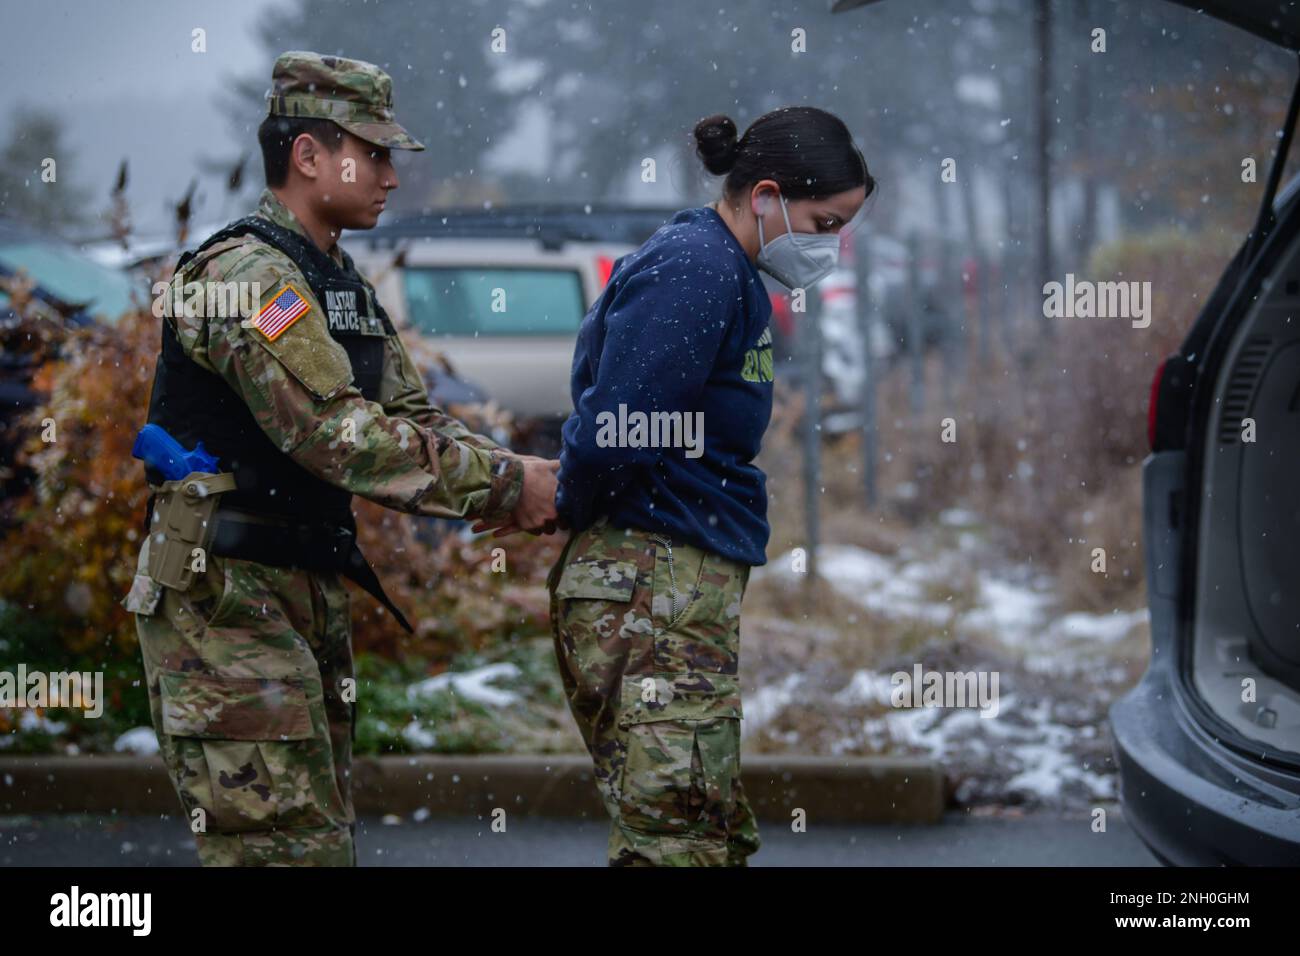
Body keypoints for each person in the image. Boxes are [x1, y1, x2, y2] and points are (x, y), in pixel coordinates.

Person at [119, 51, 559, 867]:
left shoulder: (335, 279)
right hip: (228, 598)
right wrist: (506, 487)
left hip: (297, 585)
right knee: (282, 852)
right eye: (376, 151)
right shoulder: (248, 278)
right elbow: (335, 435)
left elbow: (409, 416)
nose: (392, 175)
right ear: (309, 156)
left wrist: (533, 484)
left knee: (315, 842)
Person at [540, 106, 872, 866]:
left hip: (673, 578)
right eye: (824, 222)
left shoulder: (727, 271)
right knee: (676, 836)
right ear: (764, 196)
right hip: (652, 580)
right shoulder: (697, 267)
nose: (830, 245)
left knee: (699, 826)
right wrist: (565, 504)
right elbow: (617, 426)